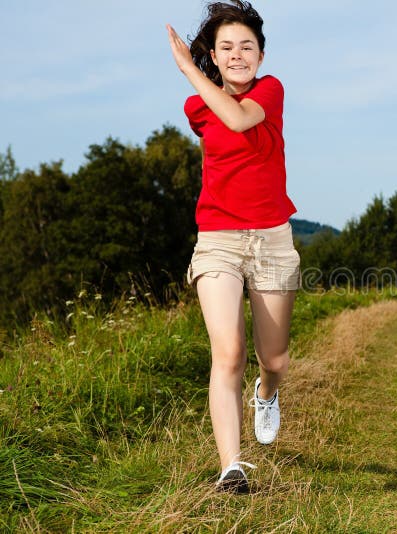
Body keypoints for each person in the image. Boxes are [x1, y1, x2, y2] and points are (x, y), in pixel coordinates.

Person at [166, 0, 300, 494]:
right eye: (227, 48)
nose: (238, 54)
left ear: (261, 56)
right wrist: (197, 79)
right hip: (218, 238)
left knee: (275, 360)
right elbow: (215, 116)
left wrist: (188, 69)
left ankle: (266, 394)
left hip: (271, 238)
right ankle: (231, 468)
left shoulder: (271, 90)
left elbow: (242, 121)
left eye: (247, 46)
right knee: (228, 353)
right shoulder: (195, 107)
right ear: (215, 57)